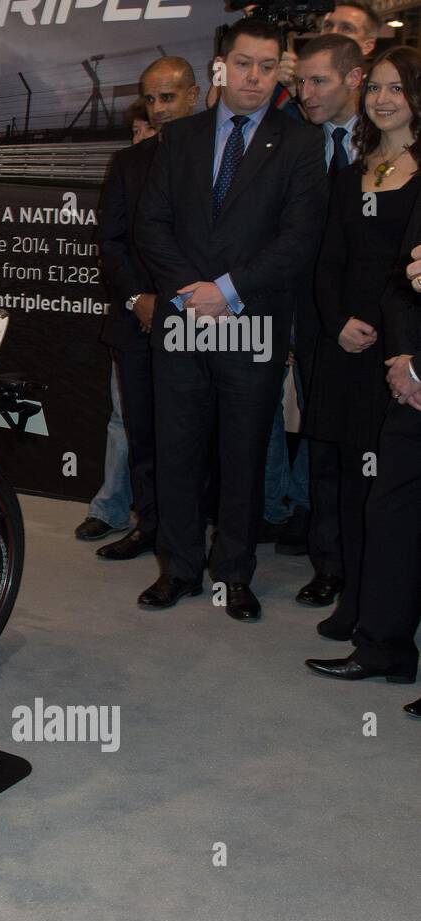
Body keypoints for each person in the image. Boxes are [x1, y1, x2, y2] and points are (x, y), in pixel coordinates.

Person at [135, 18, 328, 622]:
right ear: (221, 66)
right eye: (244, 64)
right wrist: (193, 295)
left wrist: (227, 291)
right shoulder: (181, 137)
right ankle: (180, 569)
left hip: (253, 319)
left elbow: (299, 239)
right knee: (179, 450)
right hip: (184, 318)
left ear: (280, 73)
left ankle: (234, 574)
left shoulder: (299, 144)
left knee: (244, 454)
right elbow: (152, 225)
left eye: (268, 67)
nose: (254, 77)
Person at [307, 46, 421, 688]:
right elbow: (325, 263)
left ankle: (389, 620)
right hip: (350, 350)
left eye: (396, 89)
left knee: (394, 497)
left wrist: (390, 339)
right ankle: (357, 604)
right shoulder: (350, 174)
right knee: (354, 486)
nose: (382, 99)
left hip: (402, 355)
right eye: (374, 87)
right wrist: (336, 324)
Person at [79, 60, 199, 557]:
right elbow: (111, 242)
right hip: (138, 322)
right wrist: (137, 299)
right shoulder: (128, 163)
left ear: (194, 95)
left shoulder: (224, 161)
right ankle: (148, 525)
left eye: (169, 98)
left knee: (196, 431)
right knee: (143, 431)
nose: (160, 109)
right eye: (152, 100)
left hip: (204, 321)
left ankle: (192, 533)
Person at [289, 34, 367, 610]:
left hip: (376, 322)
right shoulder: (296, 143)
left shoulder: (392, 141)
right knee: (323, 444)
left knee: (370, 451)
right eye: (300, 81)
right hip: (312, 321)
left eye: (318, 81)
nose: (304, 93)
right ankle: (331, 564)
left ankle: (374, 564)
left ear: (354, 78)